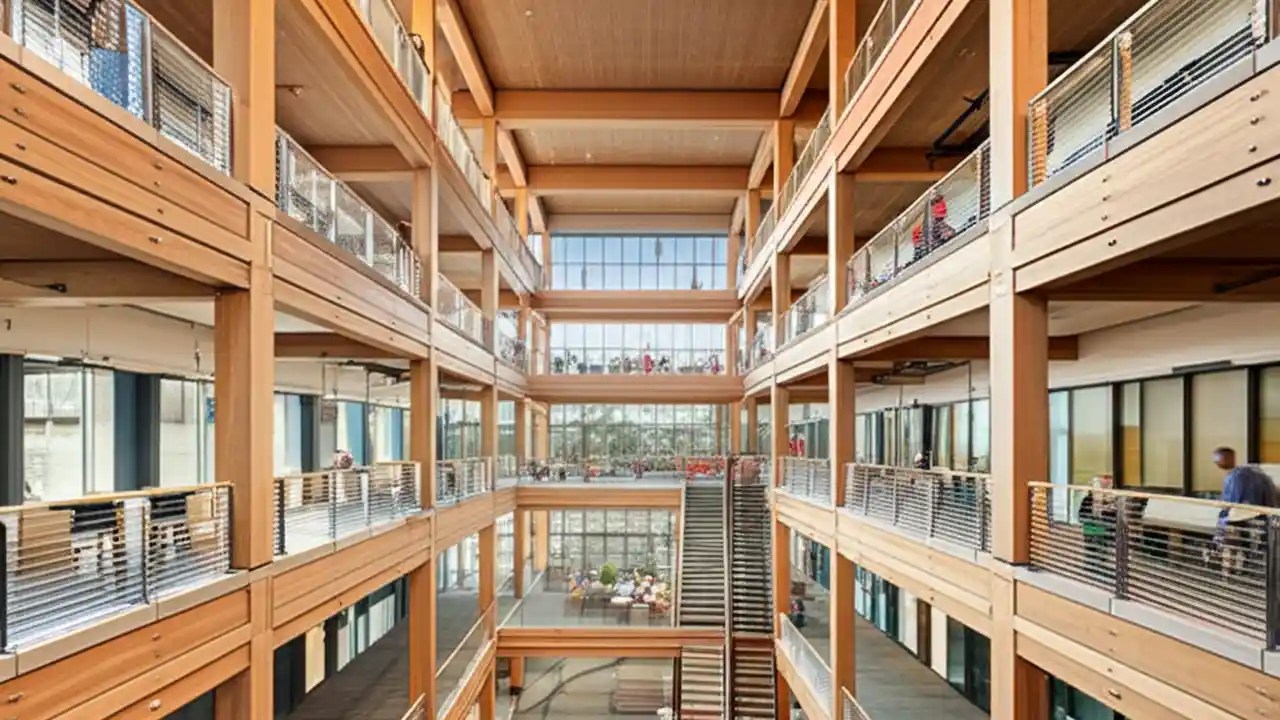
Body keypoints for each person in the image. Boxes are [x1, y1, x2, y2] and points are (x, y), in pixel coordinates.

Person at [1213, 447, 1278, 571]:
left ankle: (1227, 571)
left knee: (1229, 540)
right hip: (1262, 517)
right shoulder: (1260, 475)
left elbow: (1230, 502)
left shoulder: (1236, 476)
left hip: (1240, 517)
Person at [1077, 474, 1117, 583]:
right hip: (1093, 529)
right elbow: (1081, 516)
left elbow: (1113, 520)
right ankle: (1092, 566)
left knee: (1101, 547)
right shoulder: (1088, 500)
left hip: (1103, 530)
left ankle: (1097, 567)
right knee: (1094, 546)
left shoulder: (1113, 503)